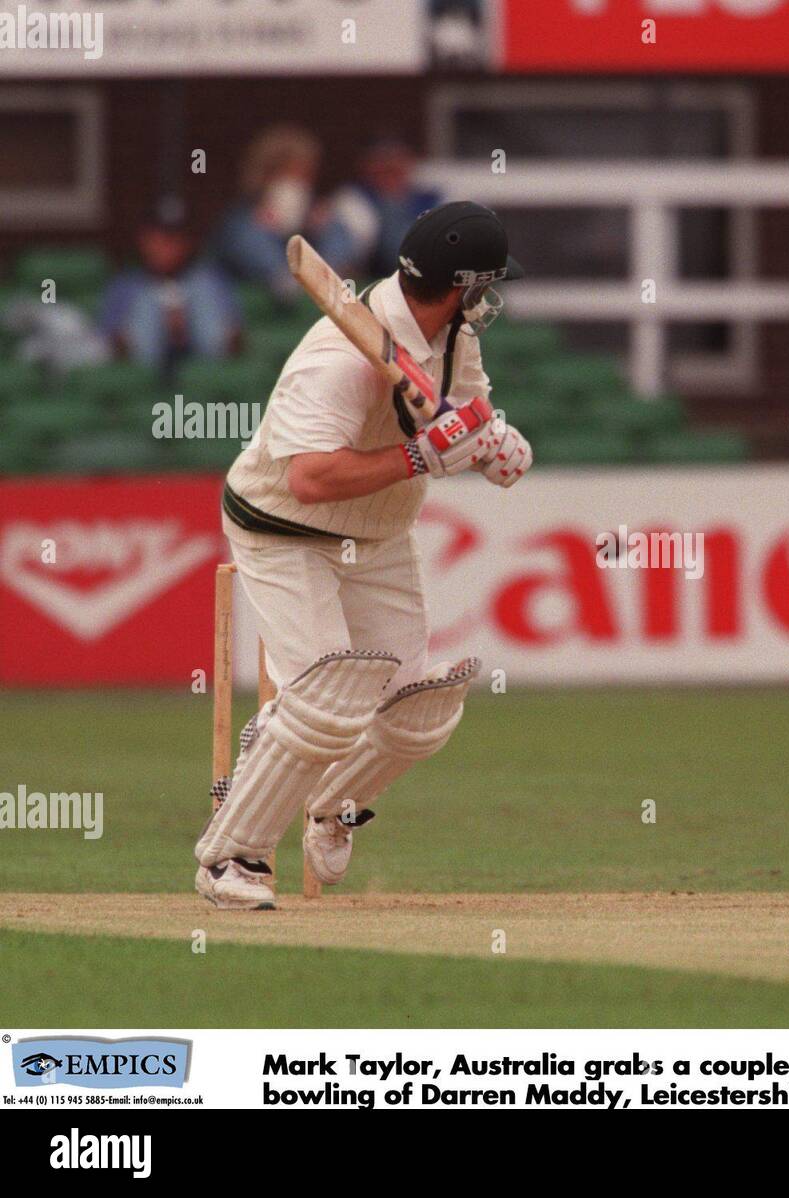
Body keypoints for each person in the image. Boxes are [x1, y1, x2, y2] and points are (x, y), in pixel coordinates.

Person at [194, 201, 532, 910]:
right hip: (282, 525)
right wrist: (418, 455)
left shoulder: (450, 339)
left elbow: (462, 418)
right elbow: (309, 479)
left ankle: (333, 808)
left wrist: (494, 446)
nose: (488, 299)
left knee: (420, 713)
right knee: (325, 707)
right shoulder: (338, 355)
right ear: (462, 284)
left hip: (376, 536)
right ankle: (231, 859)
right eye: (485, 284)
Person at [210, 125, 352, 302]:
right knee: (250, 232)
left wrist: (315, 223)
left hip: (312, 276)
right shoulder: (243, 216)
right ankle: (285, 281)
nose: (297, 182)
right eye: (290, 173)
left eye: (304, 174)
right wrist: (269, 225)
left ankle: (325, 278)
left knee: (334, 226)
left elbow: (343, 242)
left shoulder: (311, 208)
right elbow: (237, 247)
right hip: (266, 280)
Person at [101, 199, 241, 369]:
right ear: (143, 239)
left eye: (173, 239)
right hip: (143, 367)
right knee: (147, 299)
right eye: (156, 237)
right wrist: (162, 324)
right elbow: (107, 342)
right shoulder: (126, 284)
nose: (164, 246)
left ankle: (210, 383)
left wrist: (186, 323)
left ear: (188, 242)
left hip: (206, 364)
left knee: (202, 287)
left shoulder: (210, 280)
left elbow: (234, 339)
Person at [330, 135, 442, 280]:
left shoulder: (428, 199)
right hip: (374, 278)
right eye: (382, 164)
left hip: (428, 277)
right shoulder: (354, 200)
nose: (390, 170)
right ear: (367, 167)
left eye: (396, 163)